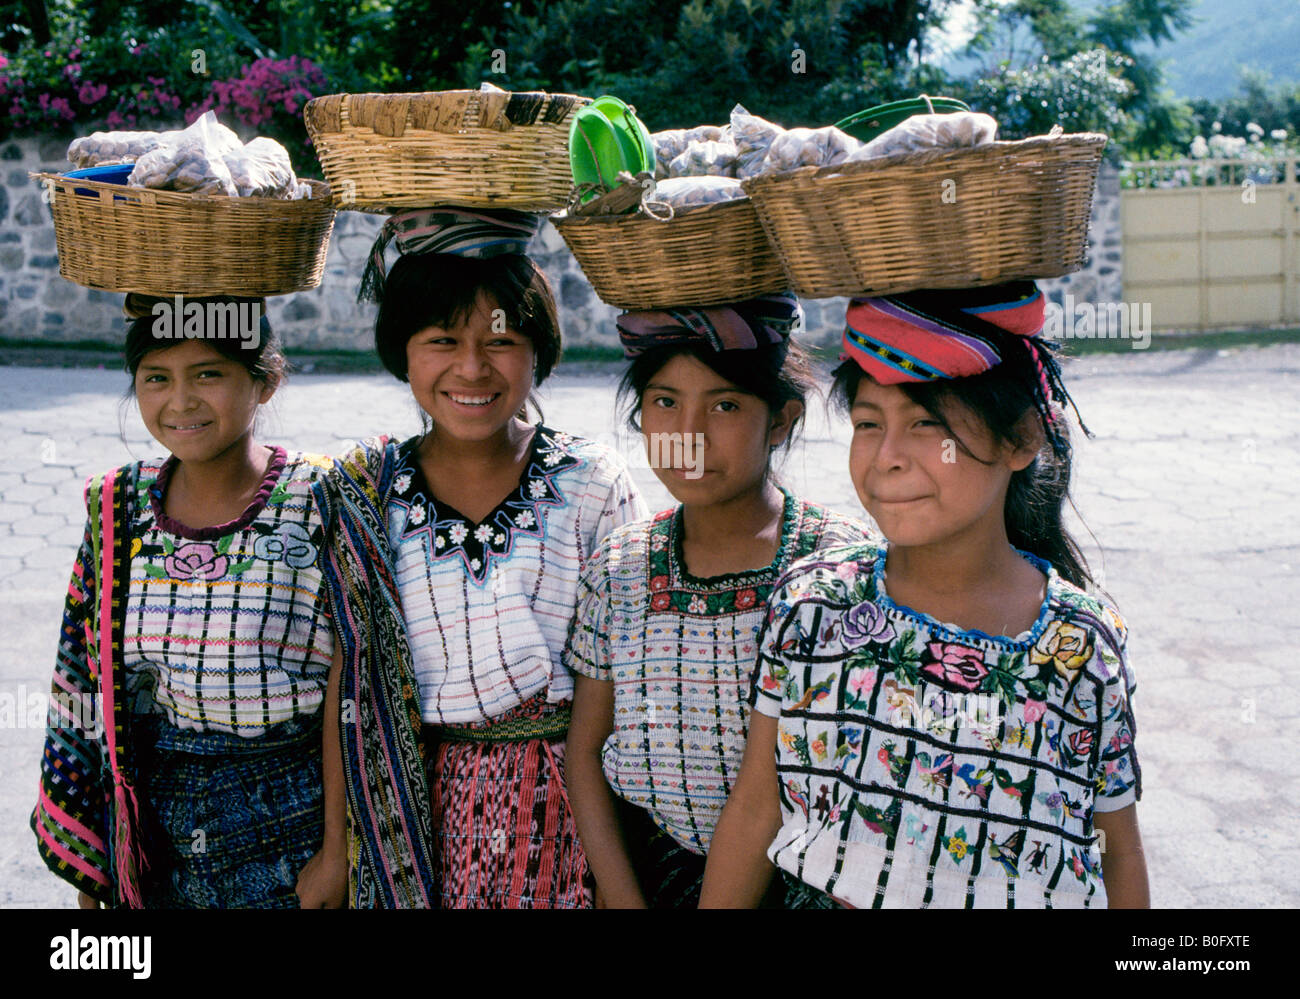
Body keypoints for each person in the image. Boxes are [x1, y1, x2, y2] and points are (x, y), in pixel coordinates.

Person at [701, 281, 1148, 909]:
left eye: (925, 424)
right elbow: (755, 806)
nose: (886, 457)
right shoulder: (813, 607)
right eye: (867, 424)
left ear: (1020, 439)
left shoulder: (1081, 644)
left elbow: (1117, 847)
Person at [313, 208, 647, 908]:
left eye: (501, 340)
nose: (471, 366)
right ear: (402, 349)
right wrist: (336, 847)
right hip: (416, 811)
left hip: (570, 807)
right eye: (441, 340)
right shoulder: (366, 494)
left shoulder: (591, 482)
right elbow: (353, 680)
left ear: (538, 348)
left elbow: (623, 669)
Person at [564, 295, 873, 908]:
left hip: (809, 886)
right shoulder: (620, 567)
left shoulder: (842, 565)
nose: (689, 433)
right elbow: (585, 754)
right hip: (655, 874)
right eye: (664, 402)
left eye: (726, 405)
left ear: (781, 421)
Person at [32, 296, 340, 908]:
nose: (180, 401)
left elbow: (351, 685)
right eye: (156, 378)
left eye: (209, 374)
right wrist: (98, 860)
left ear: (266, 381)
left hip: (290, 815)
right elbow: (84, 683)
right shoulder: (116, 506)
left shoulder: (321, 499)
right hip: (154, 826)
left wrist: (338, 851)